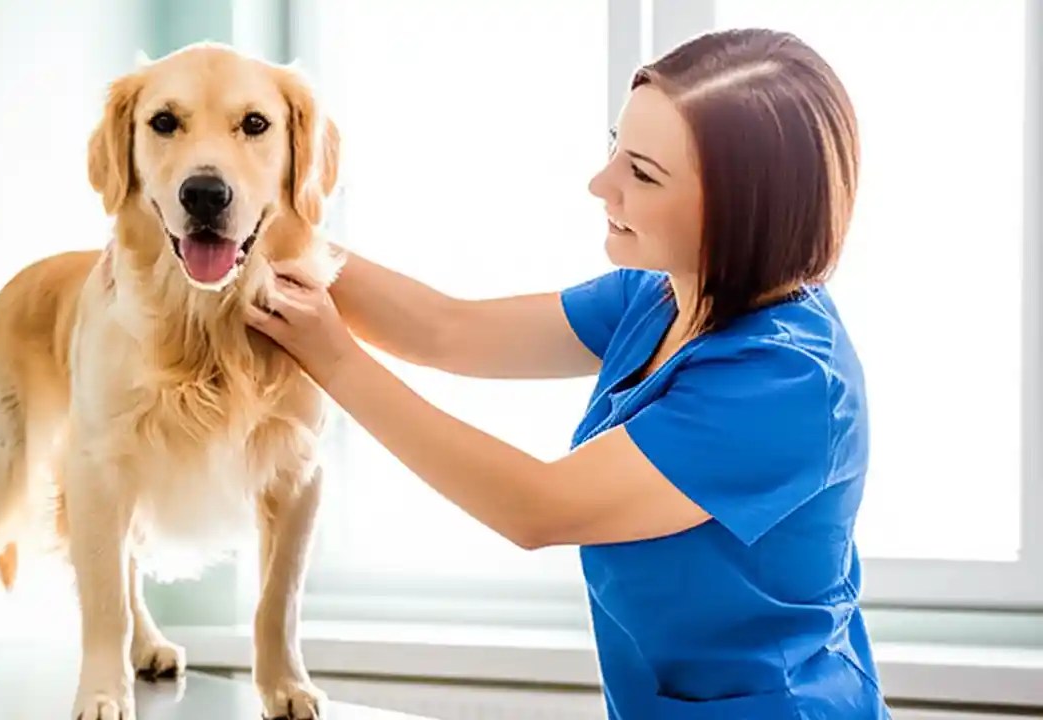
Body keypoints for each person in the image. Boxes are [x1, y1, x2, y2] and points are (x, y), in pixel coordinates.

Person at [245, 27, 891, 720]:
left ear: (742, 212)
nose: (599, 183)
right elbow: (446, 329)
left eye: (641, 173)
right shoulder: (666, 294)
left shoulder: (786, 384)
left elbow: (537, 508)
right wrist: (263, 234)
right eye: (617, 146)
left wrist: (334, 358)